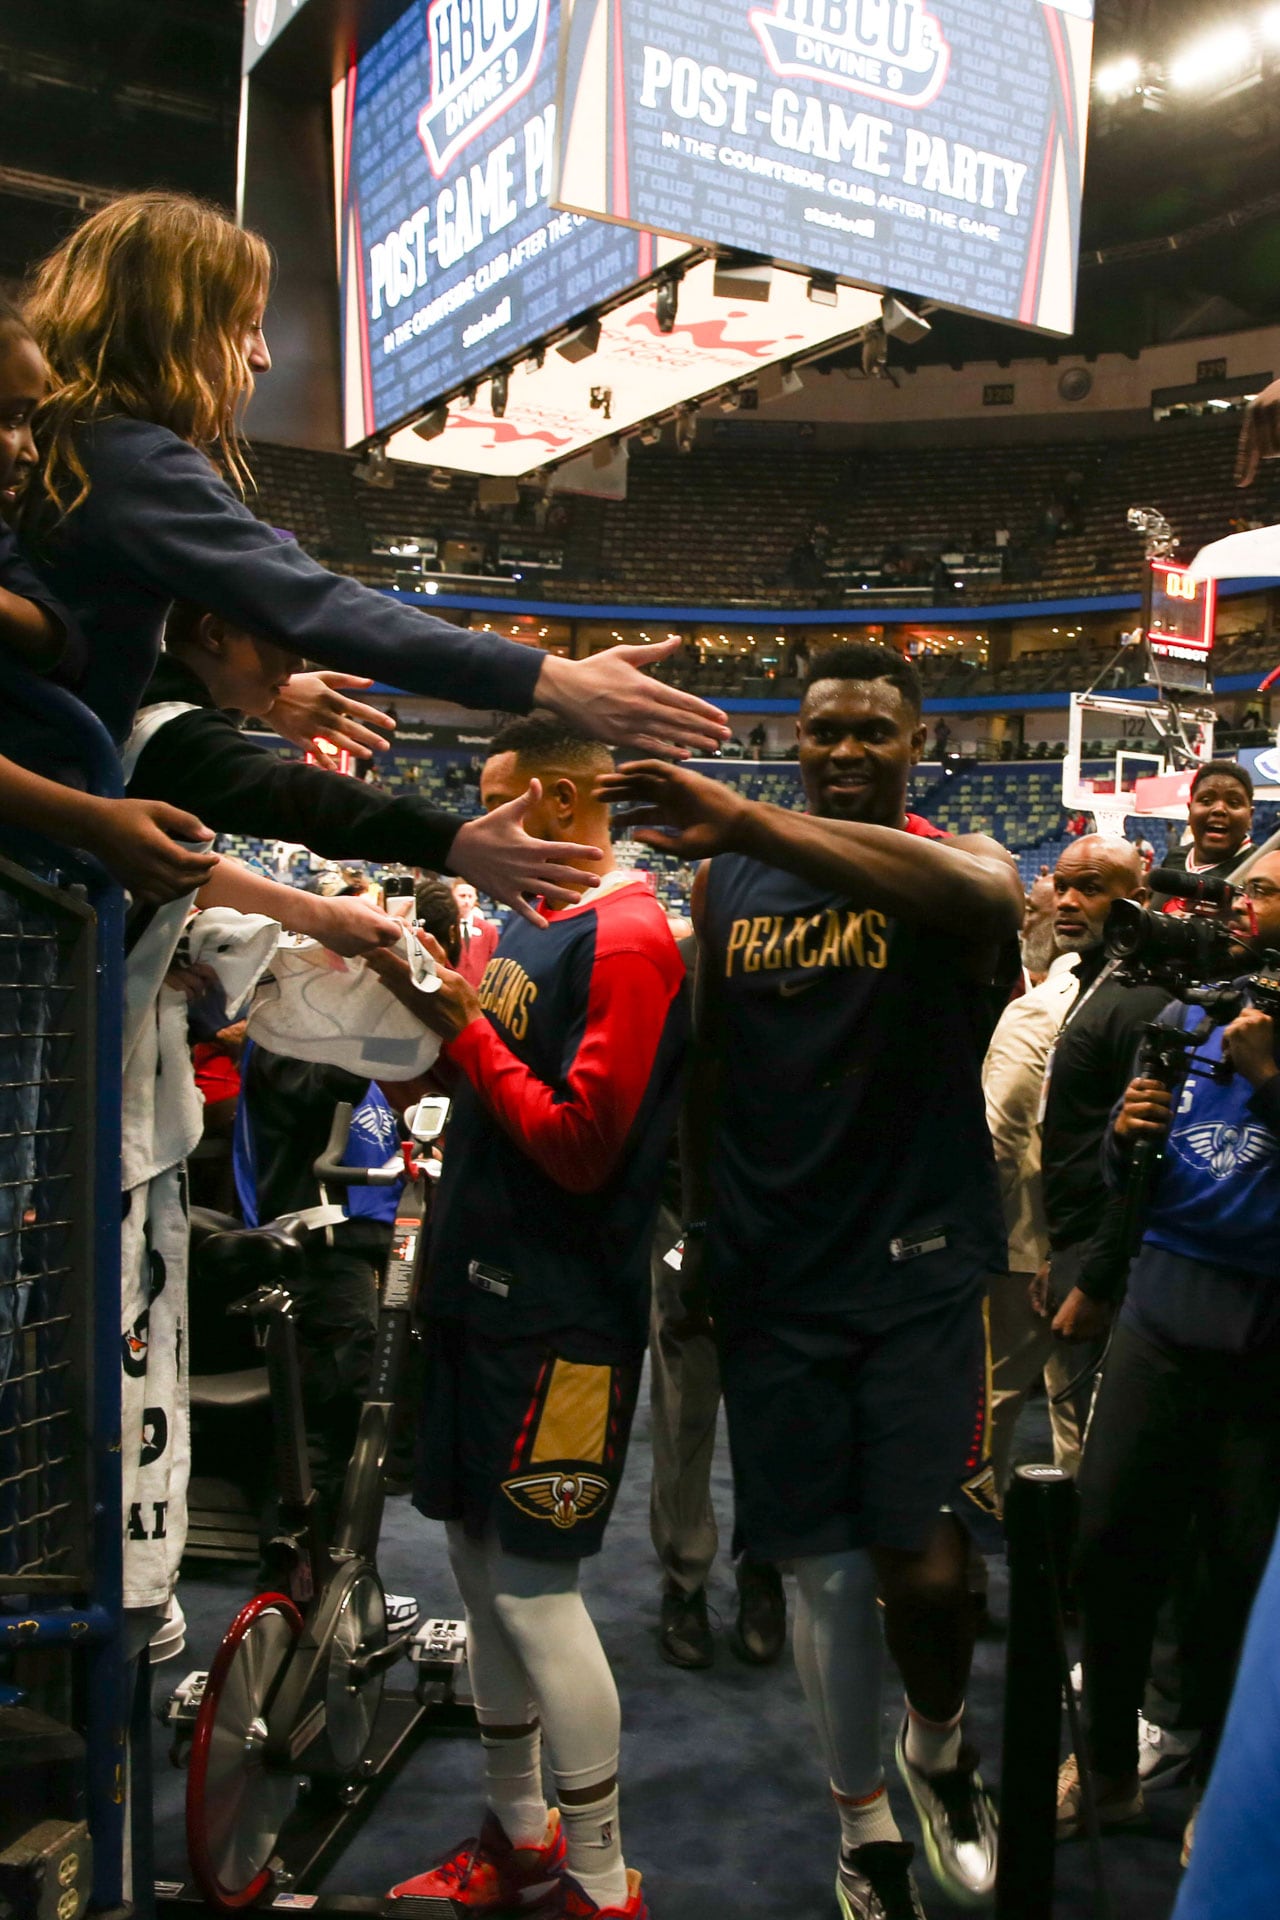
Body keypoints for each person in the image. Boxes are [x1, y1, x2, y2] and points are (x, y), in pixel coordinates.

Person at [600, 643, 1024, 1919]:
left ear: (914, 747)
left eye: (872, 734)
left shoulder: (950, 870)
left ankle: (936, 1749)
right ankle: (860, 1829)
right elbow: (712, 1067)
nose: (844, 752)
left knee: (927, 1567)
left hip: (914, 1267)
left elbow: (994, 900)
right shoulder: (726, 878)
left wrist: (743, 817)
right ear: (796, 738)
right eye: (822, 731)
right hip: (772, 1273)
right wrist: (700, 1234)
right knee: (826, 1575)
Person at [10, 193, 727, 908]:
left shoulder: (69, 443)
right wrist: (551, 679)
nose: (259, 357)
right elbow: (310, 604)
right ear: (172, 323)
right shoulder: (127, 455)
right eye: (244, 326)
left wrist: (262, 690)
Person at [374, 715, 687, 1920]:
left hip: (561, 1314)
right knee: (472, 1564)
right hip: (473, 1274)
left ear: (557, 802)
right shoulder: (525, 919)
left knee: (538, 1593)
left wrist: (459, 1027)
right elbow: (492, 1075)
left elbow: (578, 1144)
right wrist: (418, 1039)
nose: (476, 826)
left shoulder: (627, 936)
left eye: (495, 803)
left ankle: (603, 1890)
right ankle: (518, 1838)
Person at [1058, 852, 1280, 1871]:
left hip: (1264, 1340)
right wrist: (1122, 1135)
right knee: (1105, 1547)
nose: (1243, 904)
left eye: (1266, 892)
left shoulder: (1252, 1035)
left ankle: (1227, 1794)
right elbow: (1137, 1171)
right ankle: (1105, 1762)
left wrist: (1268, 1079)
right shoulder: (1199, 1010)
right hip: (1160, 1313)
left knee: (1241, 1583)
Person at [123, 602, 602, 919]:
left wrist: (262, 699)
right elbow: (298, 795)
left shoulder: (141, 701)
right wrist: (453, 842)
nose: (296, 669)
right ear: (215, 633)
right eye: (284, 646)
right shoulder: (162, 727)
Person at [1035, 836, 1167, 1349]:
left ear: (1138, 900)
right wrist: (1058, 1252)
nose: (1066, 901)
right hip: (1077, 1245)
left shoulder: (1141, 998)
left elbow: (1141, 1156)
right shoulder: (1095, 979)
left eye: (1090, 889)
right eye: (1063, 886)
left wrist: (1095, 1279)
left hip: (1108, 1260)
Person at [983, 871, 1090, 1491]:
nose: (1027, 920)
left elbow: (997, 1140)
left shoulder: (1039, 1007)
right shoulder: (1138, 997)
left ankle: (960, 1567)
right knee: (1078, 1409)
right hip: (1091, 1248)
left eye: (1034, 909)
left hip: (1022, 1245)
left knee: (987, 1413)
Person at [1158, 762, 1255, 898]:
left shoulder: (1261, 869)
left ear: (1250, 817)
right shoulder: (1173, 859)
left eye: (1233, 803)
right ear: (1189, 811)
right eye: (1206, 800)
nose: (1219, 809)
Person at [451, 877, 500, 988]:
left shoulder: (489, 929)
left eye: (470, 896)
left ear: (476, 898)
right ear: (452, 897)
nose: (467, 901)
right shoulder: (445, 926)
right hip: (453, 989)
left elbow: (494, 962)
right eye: (462, 896)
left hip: (479, 990)